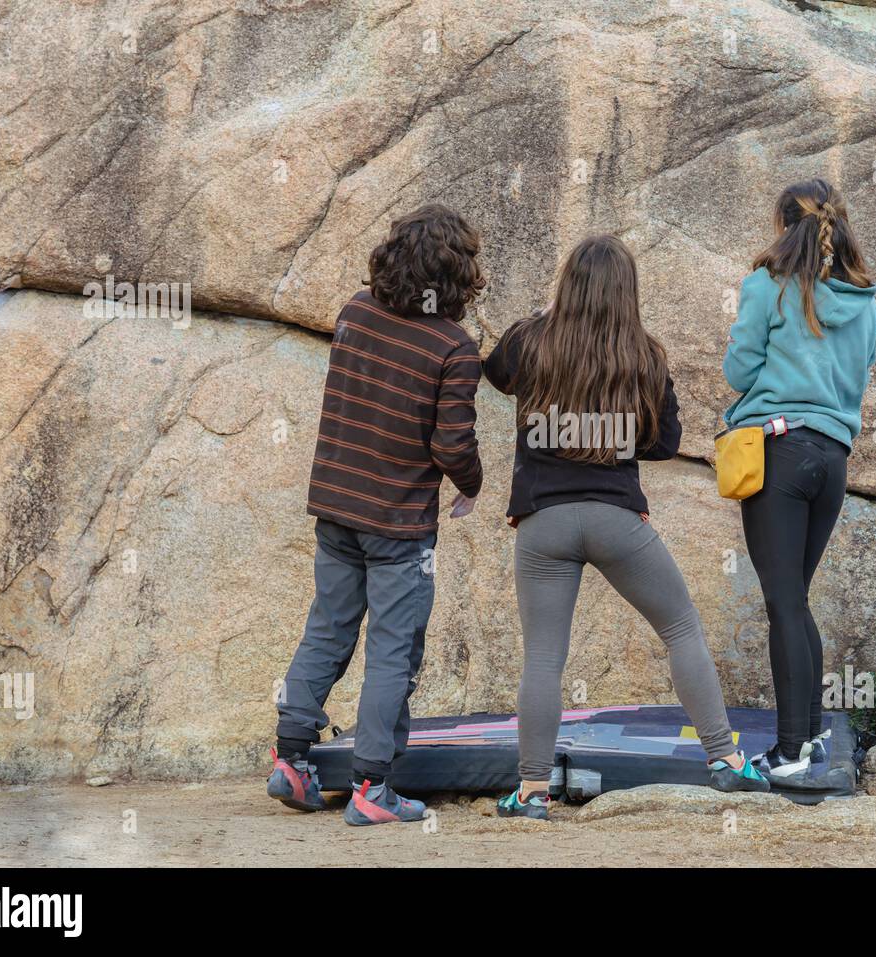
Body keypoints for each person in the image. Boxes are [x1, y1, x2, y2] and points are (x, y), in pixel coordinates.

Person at [484, 234, 770, 820]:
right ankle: (723, 761)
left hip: (543, 521)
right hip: (618, 517)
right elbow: (664, 443)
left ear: (566, 287)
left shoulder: (530, 342)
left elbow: (493, 372)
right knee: (681, 627)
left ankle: (532, 791)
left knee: (543, 656)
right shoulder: (644, 354)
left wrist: (538, 319)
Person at [267, 204, 485, 826]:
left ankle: (290, 761)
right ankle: (372, 787)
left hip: (336, 508)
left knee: (327, 630)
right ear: (456, 274)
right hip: (397, 524)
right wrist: (470, 485)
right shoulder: (453, 347)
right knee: (394, 652)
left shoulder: (355, 311)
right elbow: (451, 445)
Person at [723, 178, 876, 784]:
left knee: (783, 603)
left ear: (784, 224)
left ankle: (789, 755)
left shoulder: (767, 285)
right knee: (795, 600)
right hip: (832, 460)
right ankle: (811, 735)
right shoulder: (867, 302)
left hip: (779, 452)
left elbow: (740, 370)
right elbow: (859, 379)